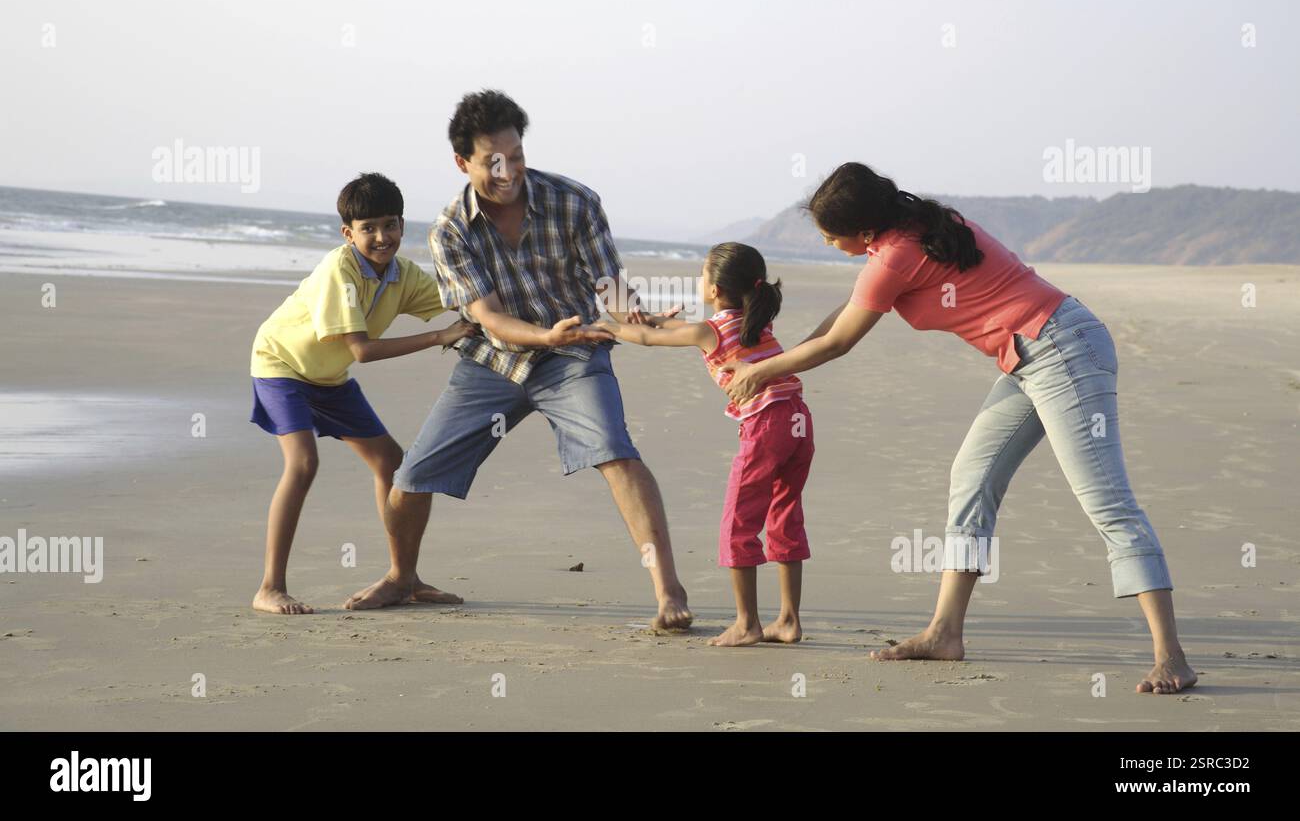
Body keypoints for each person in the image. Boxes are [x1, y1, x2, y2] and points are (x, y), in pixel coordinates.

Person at [721, 162, 1196, 693]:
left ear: (863, 229)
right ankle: (945, 633)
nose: (829, 242)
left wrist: (762, 370)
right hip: (1031, 357)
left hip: (1062, 353)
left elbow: (839, 343)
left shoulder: (897, 254)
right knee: (971, 477)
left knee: (1106, 502)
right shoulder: (912, 233)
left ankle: (1171, 656)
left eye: (831, 234)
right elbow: (849, 313)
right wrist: (778, 360)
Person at [345, 90, 692, 630]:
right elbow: (487, 316)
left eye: (518, 156)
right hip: (493, 360)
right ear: (462, 163)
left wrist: (642, 318)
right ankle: (402, 578)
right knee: (410, 476)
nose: (509, 172)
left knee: (615, 452)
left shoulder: (574, 201)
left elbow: (611, 290)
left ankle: (668, 590)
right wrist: (541, 337)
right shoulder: (450, 232)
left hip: (574, 351)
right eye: (493, 161)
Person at [248, 172, 476, 614]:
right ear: (348, 233)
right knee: (303, 463)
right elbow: (363, 350)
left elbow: (460, 304)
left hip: (330, 379)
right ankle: (269, 587)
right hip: (281, 367)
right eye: (368, 228)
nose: (381, 236)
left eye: (389, 225)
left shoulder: (402, 274)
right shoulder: (341, 269)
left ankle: (404, 578)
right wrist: (438, 338)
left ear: (402, 226)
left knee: (394, 464)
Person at [605, 243, 814, 647]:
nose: (699, 282)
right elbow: (670, 330)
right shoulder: (757, 323)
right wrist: (656, 321)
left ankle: (747, 623)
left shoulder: (710, 330)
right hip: (798, 421)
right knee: (785, 516)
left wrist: (608, 327)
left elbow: (647, 338)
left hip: (765, 427)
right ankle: (788, 620)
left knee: (739, 523)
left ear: (715, 288)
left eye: (702, 276)